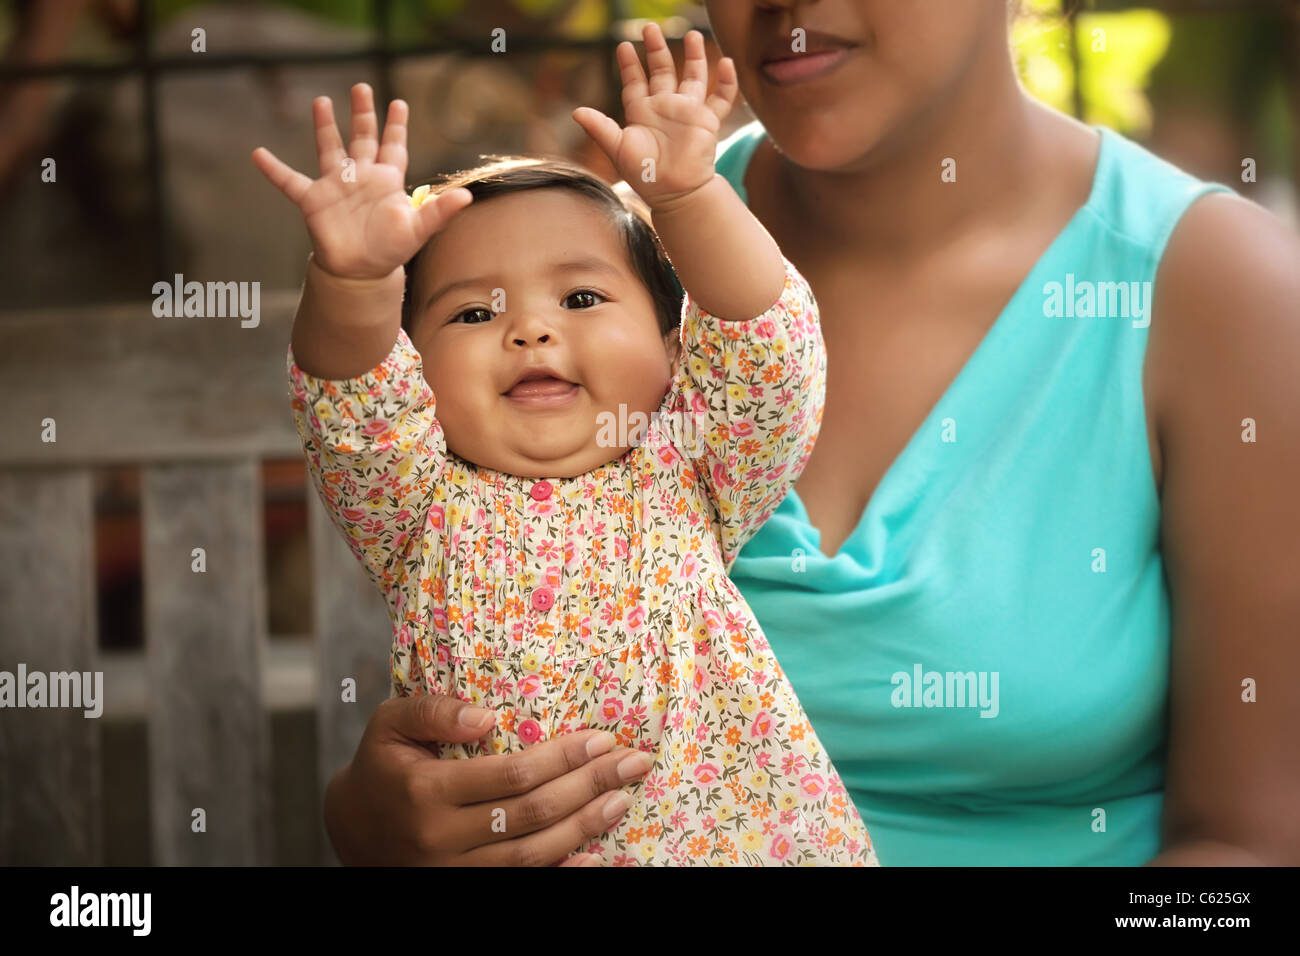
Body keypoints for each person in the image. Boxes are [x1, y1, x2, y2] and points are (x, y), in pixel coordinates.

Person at [316, 0, 1300, 866]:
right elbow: (384, 460)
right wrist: (371, 820)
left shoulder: (1217, 287)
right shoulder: (601, 269)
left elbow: (1250, 849)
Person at [255, 24, 877, 865]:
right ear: (415, 375)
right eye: (475, 314)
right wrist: (355, 283)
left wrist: (685, 193)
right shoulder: (416, 505)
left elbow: (764, 349)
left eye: (582, 297)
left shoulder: (684, 467)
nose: (531, 329)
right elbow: (349, 408)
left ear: (671, 349)